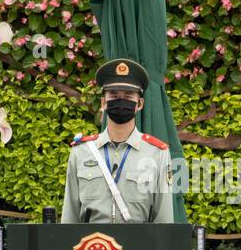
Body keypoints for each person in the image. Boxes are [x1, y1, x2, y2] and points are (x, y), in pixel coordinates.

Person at [61, 58, 173, 224]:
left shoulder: (157, 153)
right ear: (103, 102)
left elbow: (163, 220)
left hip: (138, 246)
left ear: (140, 104)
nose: (121, 101)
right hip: (92, 247)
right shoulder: (81, 151)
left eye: (128, 96)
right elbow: (70, 215)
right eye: (114, 95)